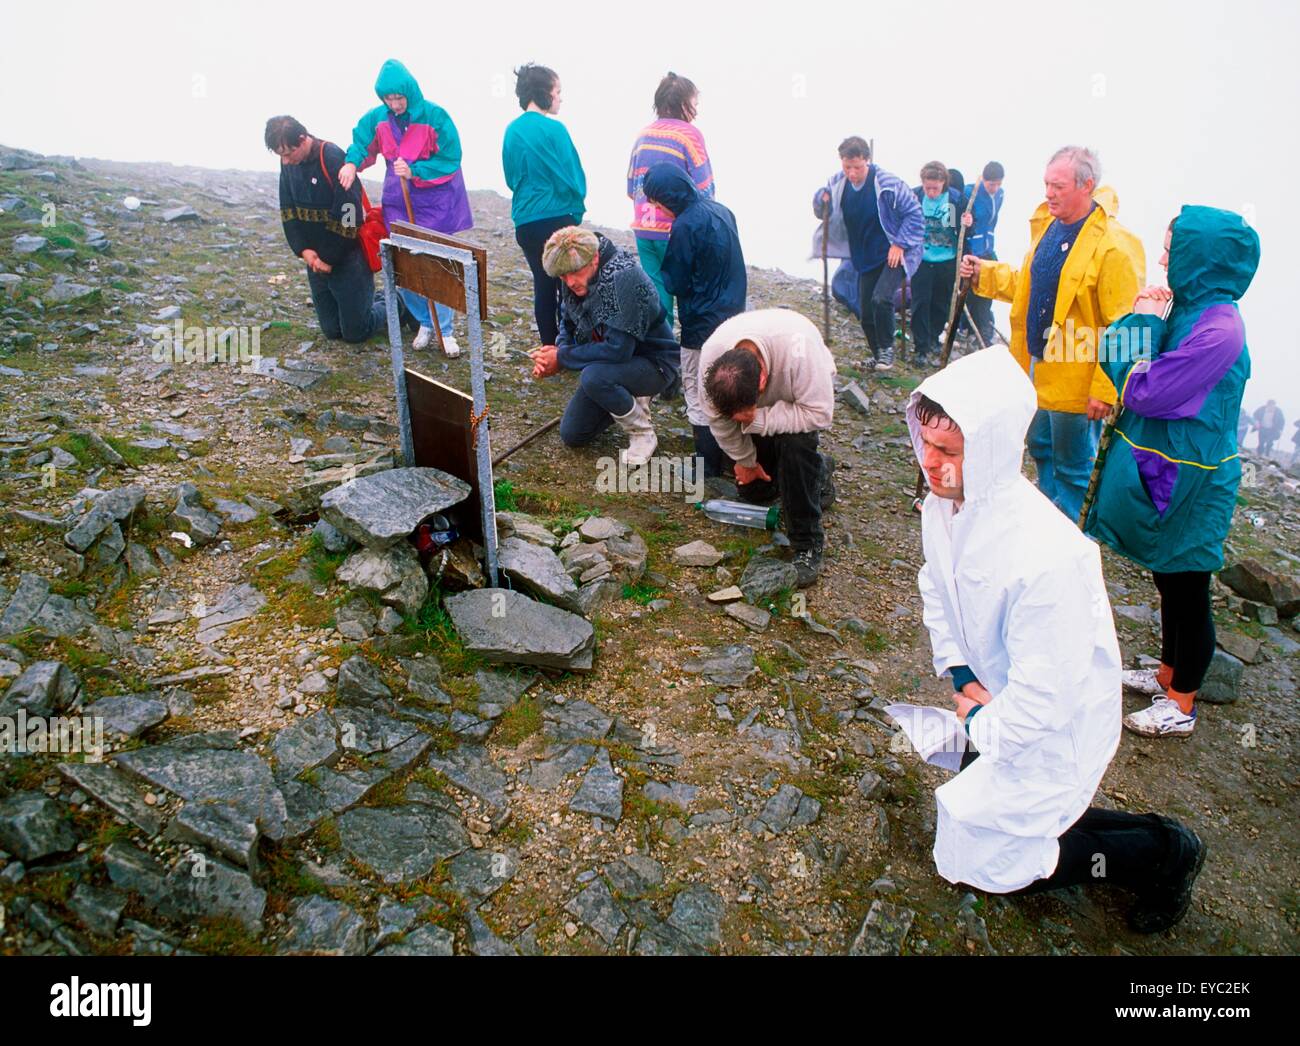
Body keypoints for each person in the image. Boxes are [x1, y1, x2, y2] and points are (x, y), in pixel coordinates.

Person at [909, 345, 1206, 935]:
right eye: (925, 445)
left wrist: (979, 724)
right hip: (994, 701)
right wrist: (963, 678)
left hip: (1053, 724)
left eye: (949, 452)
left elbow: (1047, 697)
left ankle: (1163, 852)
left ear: (993, 451)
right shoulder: (944, 507)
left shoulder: (1047, 556)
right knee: (986, 824)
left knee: (995, 862)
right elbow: (936, 587)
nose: (930, 464)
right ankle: (1055, 817)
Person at [1085, 206, 1260, 739]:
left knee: (1188, 587)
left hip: (1197, 481)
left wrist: (1141, 320)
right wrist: (1150, 323)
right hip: (1175, 469)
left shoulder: (1219, 330)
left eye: (1172, 249)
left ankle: (1181, 704)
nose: (1163, 259)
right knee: (1168, 578)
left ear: (1200, 257)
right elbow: (1128, 365)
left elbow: (1145, 390)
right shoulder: (1190, 309)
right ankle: (1165, 674)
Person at [959, 146, 1143, 521]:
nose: (1048, 193)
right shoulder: (1049, 226)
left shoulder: (1114, 245)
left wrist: (1106, 389)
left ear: (1086, 185)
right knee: (1040, 447)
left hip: (1078, 383)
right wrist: (984, 274)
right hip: (1037, 368)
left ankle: (1074, 545)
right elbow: (1030, 285)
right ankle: (1047, 525)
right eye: (1046, 184)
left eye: (1057, 185)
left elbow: (1128, 326)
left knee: (1075, 469)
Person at [339, 59, 473, 357]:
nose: (395, 104)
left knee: (437, 265)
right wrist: (351, 162)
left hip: (435, 202)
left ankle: (446, 330)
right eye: (389, 99)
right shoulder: (378, 118)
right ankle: (425, 322)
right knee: (404, 267)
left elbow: (451, 157)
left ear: (410, 92)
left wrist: (416, 171)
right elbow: (362, 143)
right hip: (399, 202)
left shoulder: (435, 116)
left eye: (399, 98)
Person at [699, 310, 837, 587]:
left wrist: (758, 419)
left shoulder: (802, 356)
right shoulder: (712, 357)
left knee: (795, 445)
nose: (736, 420)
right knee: (756, 493)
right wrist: (745, 460)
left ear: (762, 382)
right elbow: (718, 422)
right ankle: (815, 470)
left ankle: (806, 542)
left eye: (742, 413)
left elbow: (820, 413)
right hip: (759, 409)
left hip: (801, 400)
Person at [529, 227, 679, 466]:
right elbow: (567, 324)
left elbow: (618, 350)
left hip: (655, 363)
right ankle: (626, 399)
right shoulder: (572, 279)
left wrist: (562, 358)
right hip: (615, 366)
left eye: (574, 273)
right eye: (562, 276)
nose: (569, 282)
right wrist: (556, 353)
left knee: (593, 377)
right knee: (573, 434)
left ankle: (642, 433)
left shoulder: (623, 277)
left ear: (595, 258)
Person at [643, 163, 747, 478]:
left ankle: (707, 464)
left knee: (697, 389)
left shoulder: (686, 225)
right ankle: (736, 455)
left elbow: (675, 281)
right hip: (733, 319)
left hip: (700, 325)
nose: (655, 207)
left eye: (656, 200)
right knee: (728, 385)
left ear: (668, 195)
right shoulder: (722, 211)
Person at [267, 115, 386, 344]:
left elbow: (351, 214)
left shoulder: (331, 157)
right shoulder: (288, 163)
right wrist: (303, 250)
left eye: (288, 153)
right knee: (332, 330)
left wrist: (330, 257)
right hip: (315, 258)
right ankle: (365, 303)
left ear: (302, 139)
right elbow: (288, 209)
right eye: (280, 155)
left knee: (356, 332)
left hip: (348, 256)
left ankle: (395, 303)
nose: (286, 160)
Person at [812, 137, 923, 370]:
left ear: (867, 160)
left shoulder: (887, 183)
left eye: (857, 167)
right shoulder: (837, 183)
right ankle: (877, 356)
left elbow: (914, 213)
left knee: (881, 299)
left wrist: (900, 244)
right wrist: (820, 200)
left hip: (892, 253)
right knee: (865, 312)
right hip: (863, 256)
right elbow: (821, 210)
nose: (852, 173)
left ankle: (887, 353)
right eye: (847, 167)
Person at [502, 63, 587, 348]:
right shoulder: (555, 129)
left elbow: (511, 178)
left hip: (526, 220)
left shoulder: (512, 131)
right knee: (570, 284)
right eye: (558, 91)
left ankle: (549, 347)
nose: (561, 97)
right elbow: (572, 176)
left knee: (542, 283)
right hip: (557, 218)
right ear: (543, 94)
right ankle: (572, 344)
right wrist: (576, 211)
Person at [626, 73, 714, 327]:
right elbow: (705, 189)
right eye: (694, 103)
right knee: (689, 293)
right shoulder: (689, 135)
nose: (696, 110)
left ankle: (662, 356)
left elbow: (632, 187)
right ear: (684, 103)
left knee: (658, 296)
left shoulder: (643, 135)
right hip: (677, 232)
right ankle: (690, 355)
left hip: (644, 229)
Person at [910, 161, 964, 366]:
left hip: (947, 260)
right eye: (928, 187)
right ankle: (920, 347)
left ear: (943, 183)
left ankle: (933, 338)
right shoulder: (915, 197)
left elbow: (968, 226)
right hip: (921, 258)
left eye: (935, 188)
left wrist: (969, 222)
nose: (931, 192)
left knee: (940, 303)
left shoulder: (955, 200)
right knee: (920, 302)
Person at [960, 161, 1005, 347]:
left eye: (997, 184)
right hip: (972, 248)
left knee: (988, 288)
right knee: (970, 292)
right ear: (983, 180)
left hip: (987, 248)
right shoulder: (970, 192)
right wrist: (966, 221)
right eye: (990, 184)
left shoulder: (1000, 195)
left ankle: (984, 330)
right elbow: (957, 215)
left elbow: (992, 222)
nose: (994, 188)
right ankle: (971, 329)